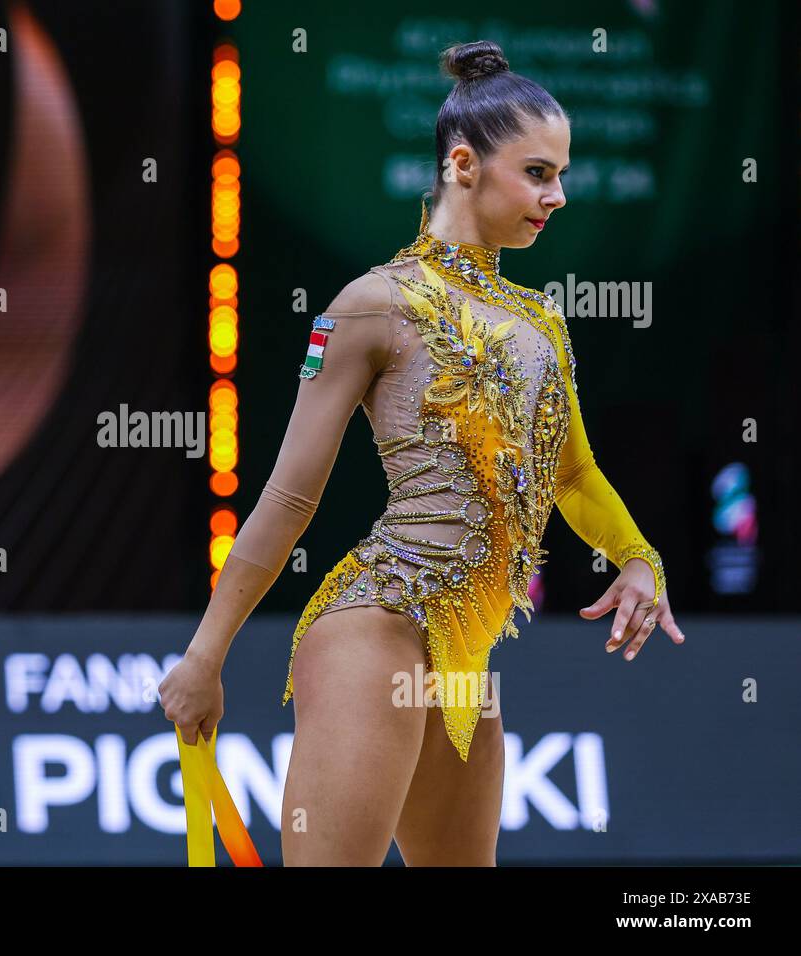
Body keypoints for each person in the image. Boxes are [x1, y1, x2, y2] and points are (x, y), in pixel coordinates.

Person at [158, 40, 685, 866]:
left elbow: (571, 473)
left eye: (563, 175)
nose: (560, 194)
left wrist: (635, 555)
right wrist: (205, 655)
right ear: (465, 165)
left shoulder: (539, 322)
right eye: (539, 173)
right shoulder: (373, 306)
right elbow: (289, 499)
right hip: (380, 626)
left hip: (464, 664)